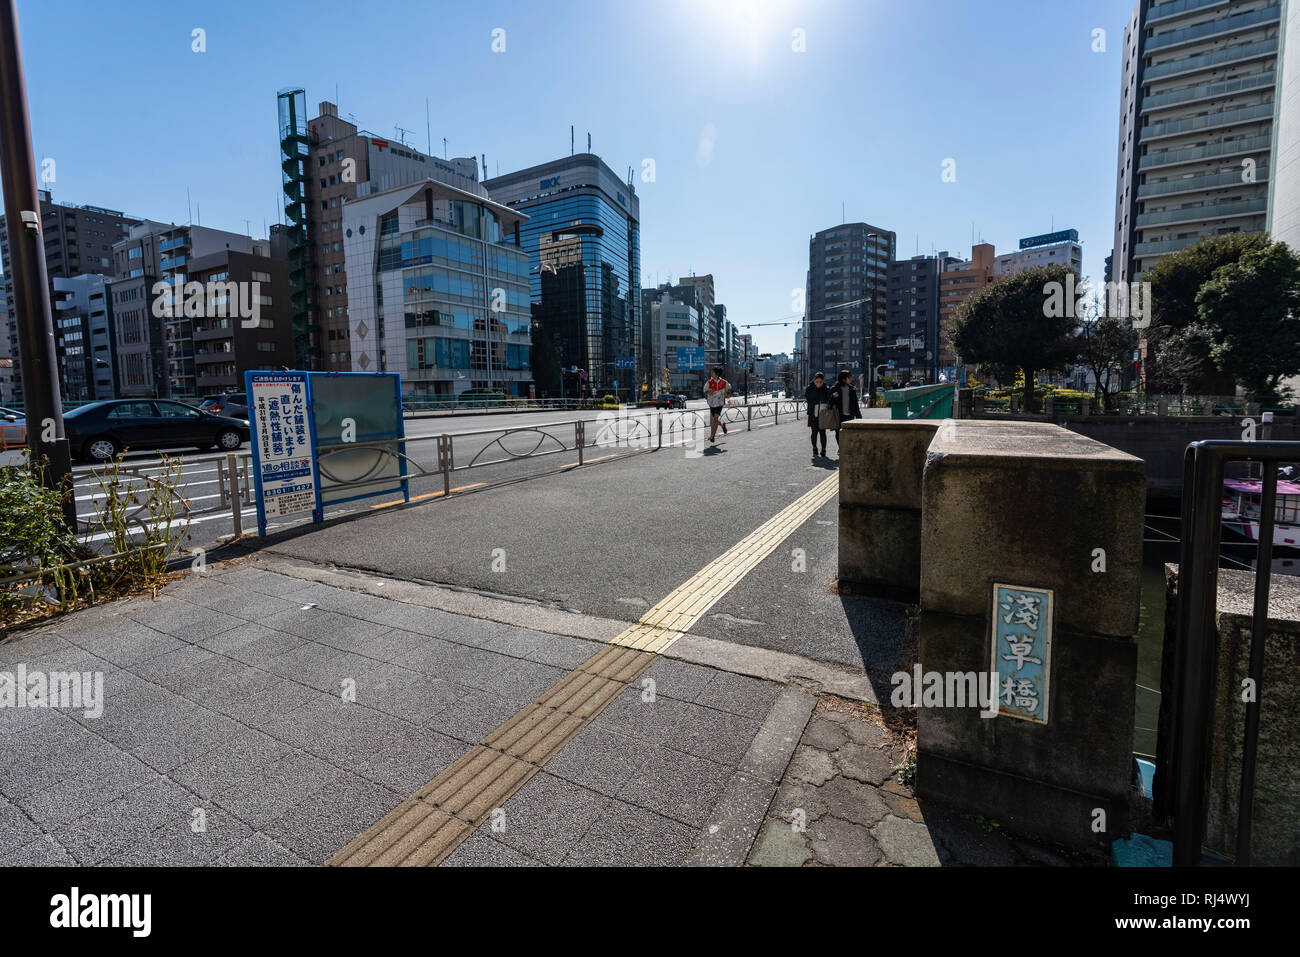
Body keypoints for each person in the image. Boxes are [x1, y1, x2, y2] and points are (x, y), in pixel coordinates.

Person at [829, 369, 862, 451]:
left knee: (850, 432)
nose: (850, 379)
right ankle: (841, 448)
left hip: (849, 415)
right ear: (844, 379)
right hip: (838, 415)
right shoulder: (834, 388)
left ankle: (847, 448)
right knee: (838, 432)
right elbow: (829, 403)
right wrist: (833, 397)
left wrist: (859, 416)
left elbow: (855, 404)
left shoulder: (852, 389)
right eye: (849, 377)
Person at [804, 371, 832, 457]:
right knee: (814, 432)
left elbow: (828, 399)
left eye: (820, 382)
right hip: (813, 413)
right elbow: (810, 399)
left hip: (823, 413)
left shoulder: (826, 388)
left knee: (823, 433)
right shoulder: (810, 388)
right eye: (817, 382)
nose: (818, 383)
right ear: (814, 380)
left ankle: (823, 450)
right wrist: (816, 389)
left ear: (823, 381)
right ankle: (814, 448)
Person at [704, 366, 731, 442]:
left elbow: (729, 389)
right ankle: (722, 425)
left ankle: (712, 436)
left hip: (720, 403)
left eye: (712, 372)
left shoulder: (724, 382)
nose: (711, 373)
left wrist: (728, 394)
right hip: (711, 403)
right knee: (715, 420)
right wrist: (709, 391)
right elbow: (705, 391)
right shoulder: (709, 382)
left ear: (717, 374)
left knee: (715, 418)